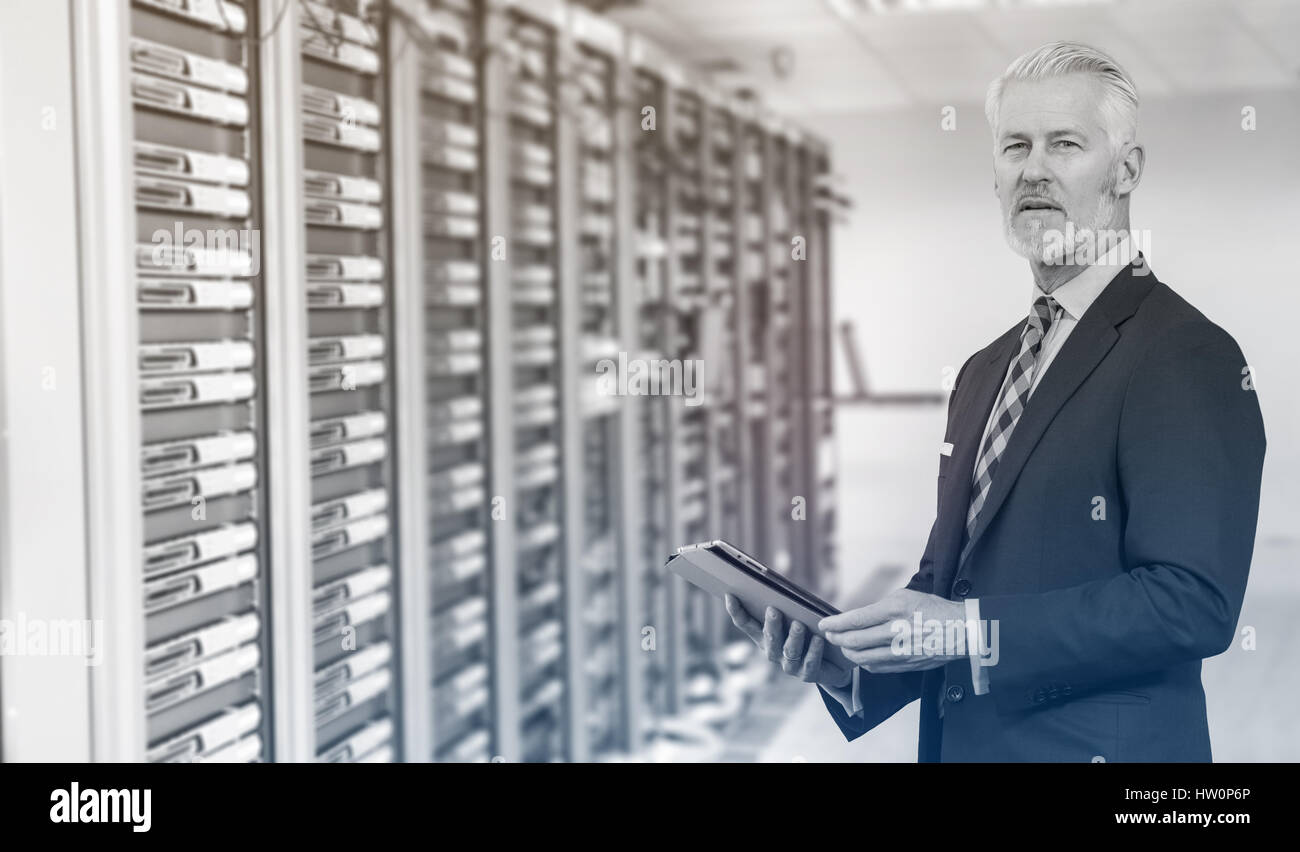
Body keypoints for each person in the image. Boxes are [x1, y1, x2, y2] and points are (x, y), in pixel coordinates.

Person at [725, 41, 1266, 761]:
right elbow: (945, 591)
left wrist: (972, 629)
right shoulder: (985, 370)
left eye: (1065, 144)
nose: (1033, 169)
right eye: (1015, 146)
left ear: (1126, 169)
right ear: (995, 175)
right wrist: (844, 663)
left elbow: (1190, 603)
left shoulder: (1185, 353)